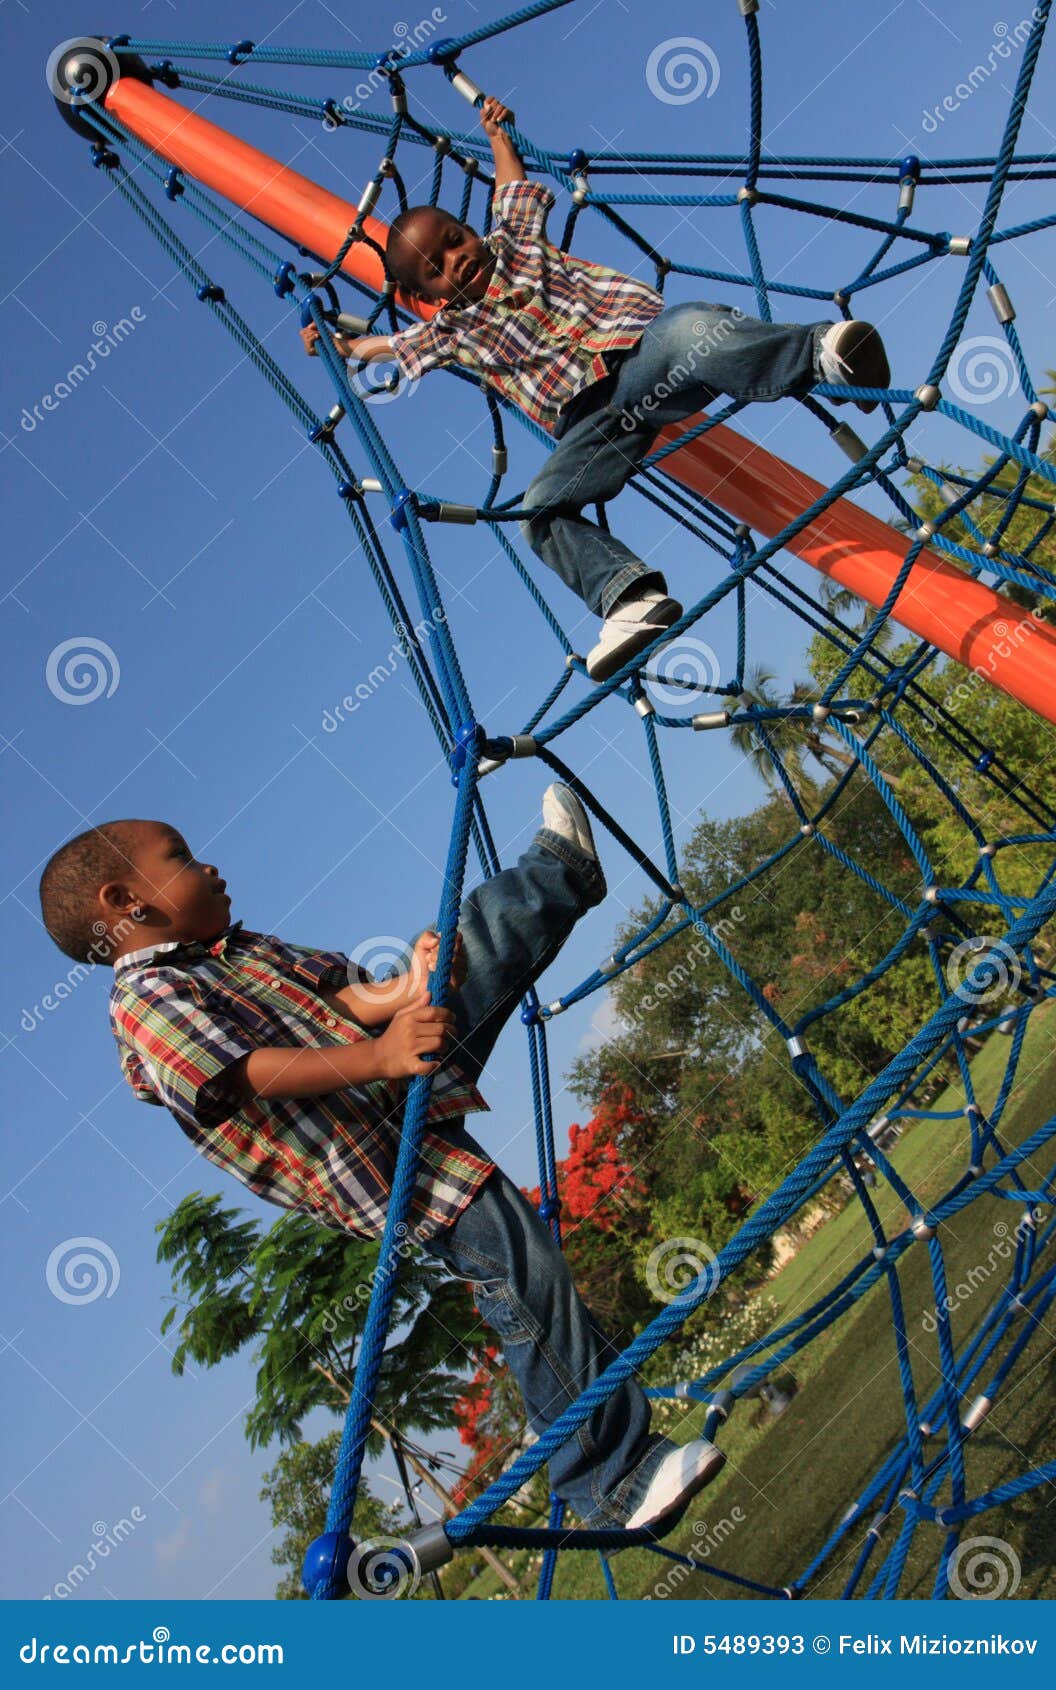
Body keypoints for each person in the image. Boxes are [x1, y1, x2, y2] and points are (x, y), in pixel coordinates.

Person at [39, 789, 723, 1533]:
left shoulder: (238, 951)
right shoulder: (147, 998)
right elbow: (241, 1073)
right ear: (125, 901)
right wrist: (378, 1054)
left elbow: (344, 1002)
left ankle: (559, 871)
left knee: (468, 952)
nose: (208, 864)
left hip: (391, 1084)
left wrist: (408, 985)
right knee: (519, 1269)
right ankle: (612, 1479)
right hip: (365, 1159)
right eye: (179, 857)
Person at [302, 93, 890, 683]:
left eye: (455, 239)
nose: (455, 260)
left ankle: (821, 355)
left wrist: (500, 137)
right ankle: (628, 599)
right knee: (538, 509)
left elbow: (510, 191)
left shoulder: (514, 245)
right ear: (427, 298)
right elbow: (397, 348)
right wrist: (344, 345)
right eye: (436, 267)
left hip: (646, 359)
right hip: (594, 419)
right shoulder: (451, 330)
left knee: (693, 329)